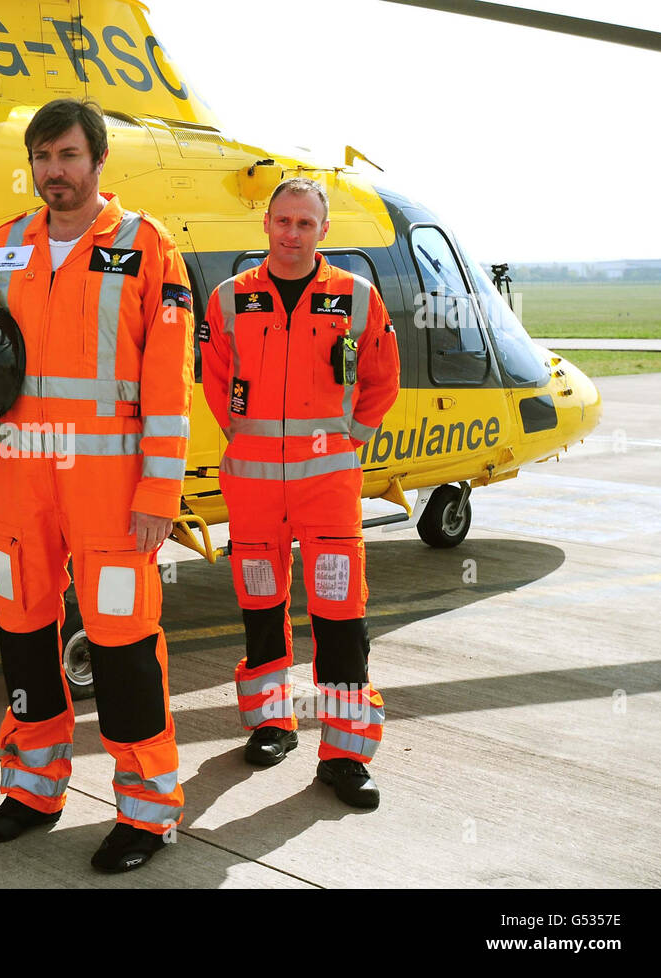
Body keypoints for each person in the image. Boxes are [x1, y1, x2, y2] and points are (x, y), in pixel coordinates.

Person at [0, 98, 193, 872]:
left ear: (99, 160)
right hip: (18, 482)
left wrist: (158, 495)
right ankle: (33, 790)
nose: (53, 172)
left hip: (109, 489)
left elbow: (170, 386)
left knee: (124, 647)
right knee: (27, 636)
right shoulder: (1, 248)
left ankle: (146, 810)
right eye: (41, 158)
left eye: (67, 156)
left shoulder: (147, 249)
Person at [199, 177, 399, 808]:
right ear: (266, 224)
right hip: (253, 481)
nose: (291, 234)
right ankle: (269, 722)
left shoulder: (357, 298)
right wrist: (246, 436)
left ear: (323, 232)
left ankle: (343, 754)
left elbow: (380, 377)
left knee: (341, 615)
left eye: (304, 224)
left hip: (327, 483)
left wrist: (348, 437)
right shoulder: (231, 299)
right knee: (261, 605)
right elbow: (215, 378)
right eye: (282, 222)